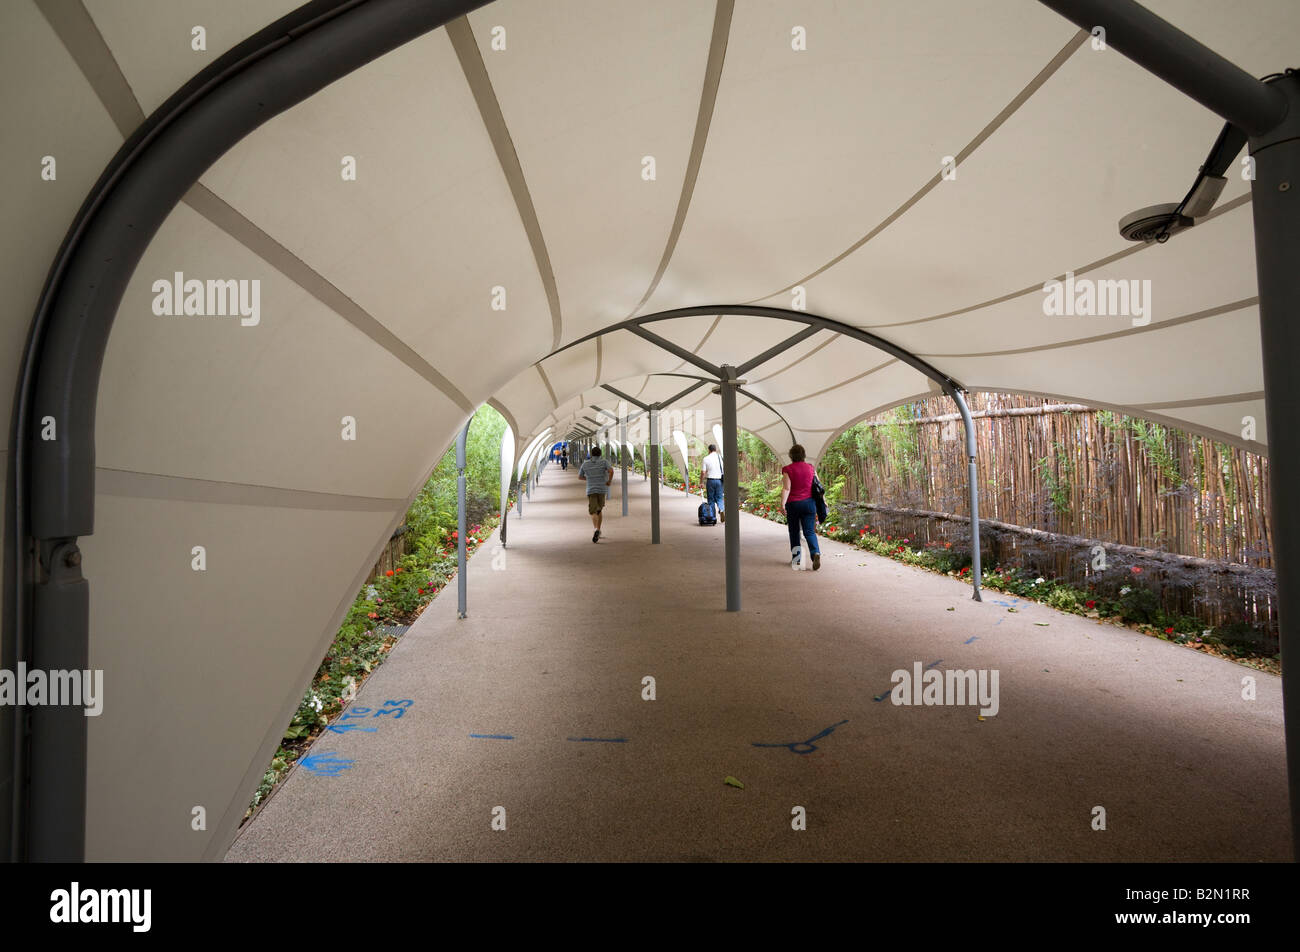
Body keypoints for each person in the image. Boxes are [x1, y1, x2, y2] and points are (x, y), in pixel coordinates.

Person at [781, 444, 820, 570]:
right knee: (809, 531)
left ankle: (797, 560)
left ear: (791, 456)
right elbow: (818, 486)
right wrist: (823, 501)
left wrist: (782, 504)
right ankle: (815, 553)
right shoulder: (811, 468)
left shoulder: (788, 469)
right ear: (804, 455)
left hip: (793, 504)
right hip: (809, 504)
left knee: (794, 532)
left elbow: (787, 488)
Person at [578, 446, 614, 542]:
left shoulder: (585, 464)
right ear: (600, 454)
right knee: (599, 510)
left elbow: (580, 477)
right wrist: (609, 481)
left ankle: (596, 529)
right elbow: (611, 471)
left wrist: (589, 479)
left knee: (593, 511)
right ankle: (599, 529)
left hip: (591, 489)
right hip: (602, 489)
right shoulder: (604, 462)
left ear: (591, 454)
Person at [700, 443, 725, 523]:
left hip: (710, 481)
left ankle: (712, 517)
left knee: (711, 500)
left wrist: (701, 482)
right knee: (719, 498)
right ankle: (721, 509)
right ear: (715, 449)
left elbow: (703, 472)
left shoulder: (706, 458)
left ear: (709, 450)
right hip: (719, 481)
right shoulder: (720, 457)